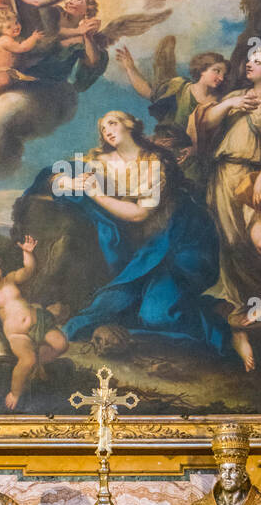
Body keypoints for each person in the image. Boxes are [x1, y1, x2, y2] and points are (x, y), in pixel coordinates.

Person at [31, 110, 230, 353]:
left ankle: (227, 333)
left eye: (113, 123)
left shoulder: (155, 162)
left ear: (131, 125)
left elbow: (138, 214)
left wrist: (95, 192)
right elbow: (51, 178)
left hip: (181, 241)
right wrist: (71, 183)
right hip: (148, 248)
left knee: (157, 316)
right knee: (111, 307)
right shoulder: (100, 161)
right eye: (103, 129)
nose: (108, 131)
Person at [192, 45, 261, 371]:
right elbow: (203, 123)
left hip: (251, 177)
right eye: (249, 61)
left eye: (259, 61)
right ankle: (251, 303)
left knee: (259, 240)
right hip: (223, 174)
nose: (251, 65)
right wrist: (231, 103)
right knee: (232, 244)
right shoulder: (236, 95)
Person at [0, 237, 68, 409]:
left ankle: (38, 365)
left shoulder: (10, 279)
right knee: (27, 359)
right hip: (17, 335)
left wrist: (27, 253)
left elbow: (28, 270)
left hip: (39, 322)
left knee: (61, 344)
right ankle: (15, 392)